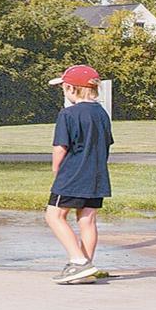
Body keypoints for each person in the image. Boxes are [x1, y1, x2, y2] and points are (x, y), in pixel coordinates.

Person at [44, 65, 114, 284]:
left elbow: (61, 147)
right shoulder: (102, 114)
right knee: (87, 219)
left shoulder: (68, 114)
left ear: (71, 89)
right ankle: (86, 266)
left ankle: (79, 261)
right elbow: (106, 144)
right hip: (97, 174)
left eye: (64, 88)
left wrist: (57, 169)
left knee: (54, 215)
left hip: (72, 173)